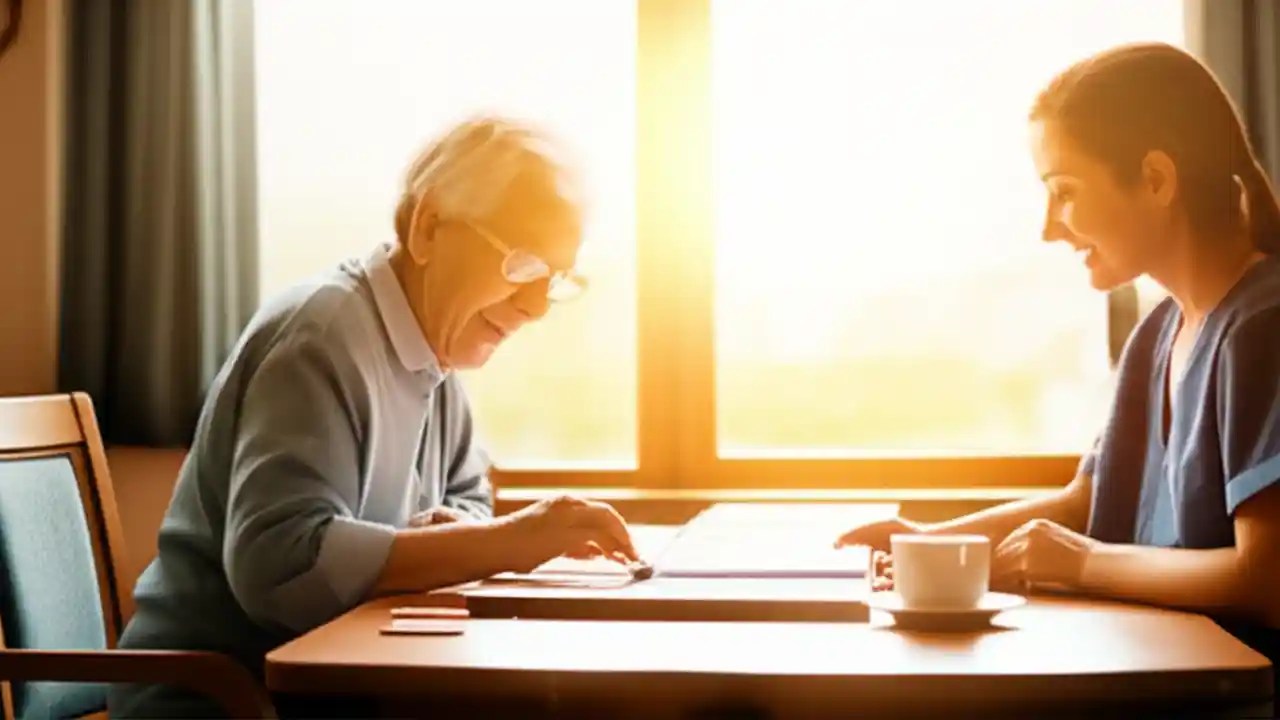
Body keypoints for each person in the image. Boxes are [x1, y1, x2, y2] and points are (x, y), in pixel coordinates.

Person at [109, 117, 640, 717]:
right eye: (522, 266)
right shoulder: (322, 336)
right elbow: (280, 565)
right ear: (429, 227)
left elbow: (469, 498)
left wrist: (460, 536)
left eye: (554, 278)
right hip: (219, 702)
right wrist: (506, 543)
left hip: (333, 693)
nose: (537, 306)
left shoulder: (435, 358)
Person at [837, 43, 1280, 659]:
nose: (1049, 226)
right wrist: (931, 543)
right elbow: (1087, 501)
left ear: (1156, 179)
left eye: (1064, 191)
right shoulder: (1158, 335)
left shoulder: (1262, 328)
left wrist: (1083, 565)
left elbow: (1268, 579)